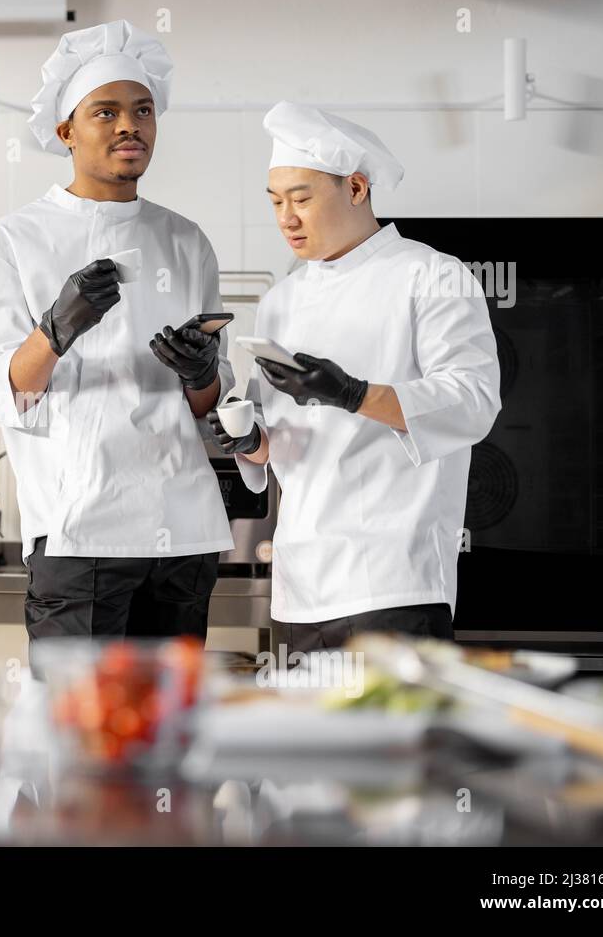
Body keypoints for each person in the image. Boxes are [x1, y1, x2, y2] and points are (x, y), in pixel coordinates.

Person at [0, 20, 234, 643]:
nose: (129, 126)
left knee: (168, 732)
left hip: (183, 529)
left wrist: (201, 375)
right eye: (106, 111)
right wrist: (55, 331)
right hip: (79, 530)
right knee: (79, 733)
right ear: (66, 131)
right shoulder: (16, 239)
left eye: (142, 110)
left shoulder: (185, 239)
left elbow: (210, 405)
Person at [210, 101, 501, 652]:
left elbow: (472, 402)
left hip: (395, 579)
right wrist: (249, 441)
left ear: (357, 188)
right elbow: (283, 448)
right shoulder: (280, 301)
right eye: (275, 202)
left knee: (391, 738)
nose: (286, 218)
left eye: (301, 198)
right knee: (308, 741)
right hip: (300, 585)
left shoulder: (431, 275)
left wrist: (350, 393)